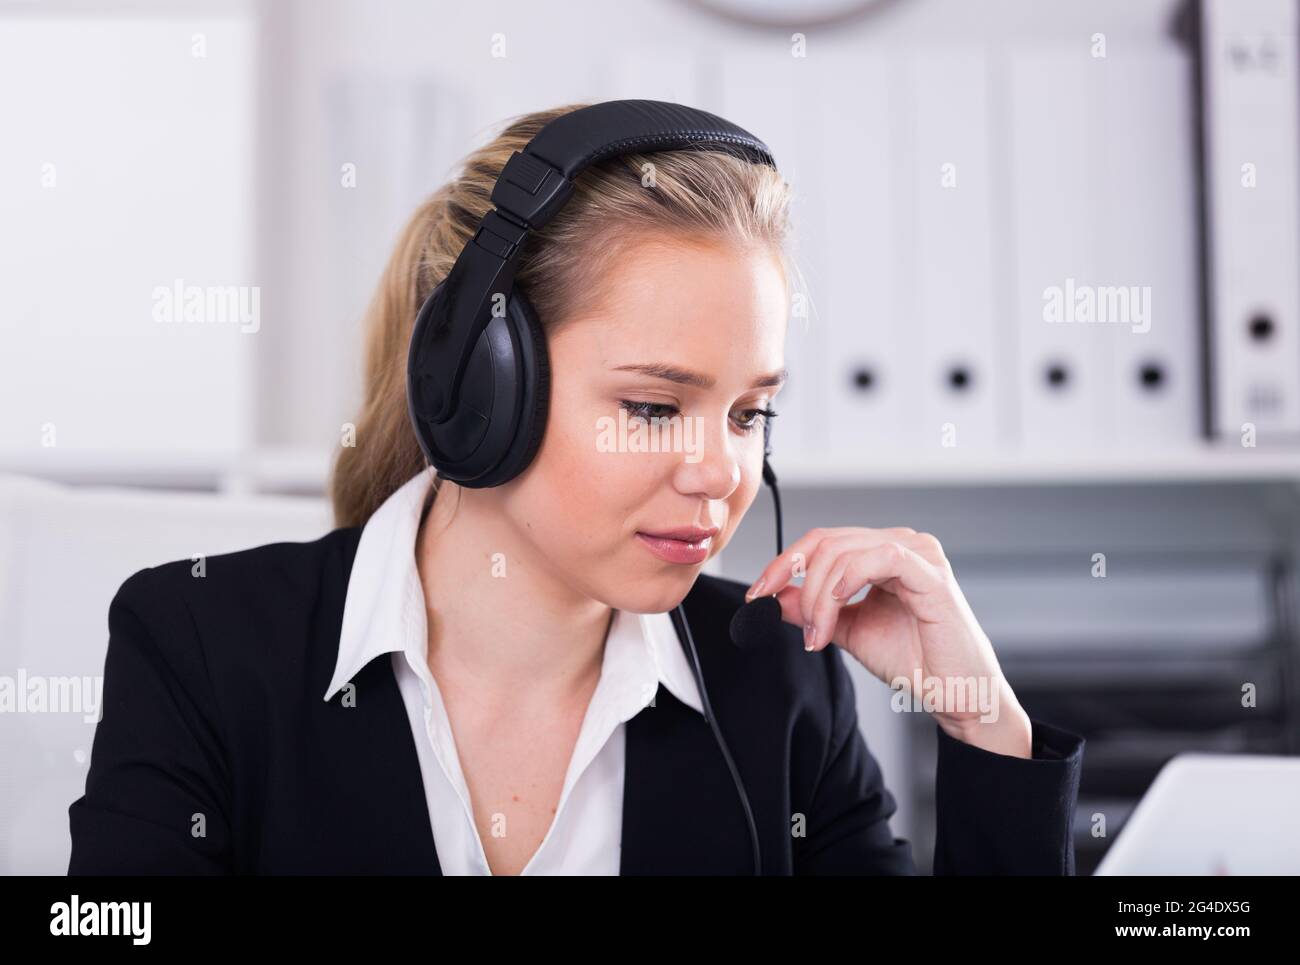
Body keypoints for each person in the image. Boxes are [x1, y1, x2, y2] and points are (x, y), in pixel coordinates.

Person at [68, 100, 1084, 875]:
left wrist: (980, 718)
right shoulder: (200, 638)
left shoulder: (775, 680)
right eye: (652, 406)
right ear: (481, 386)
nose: (721, 471)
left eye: (747, 412)